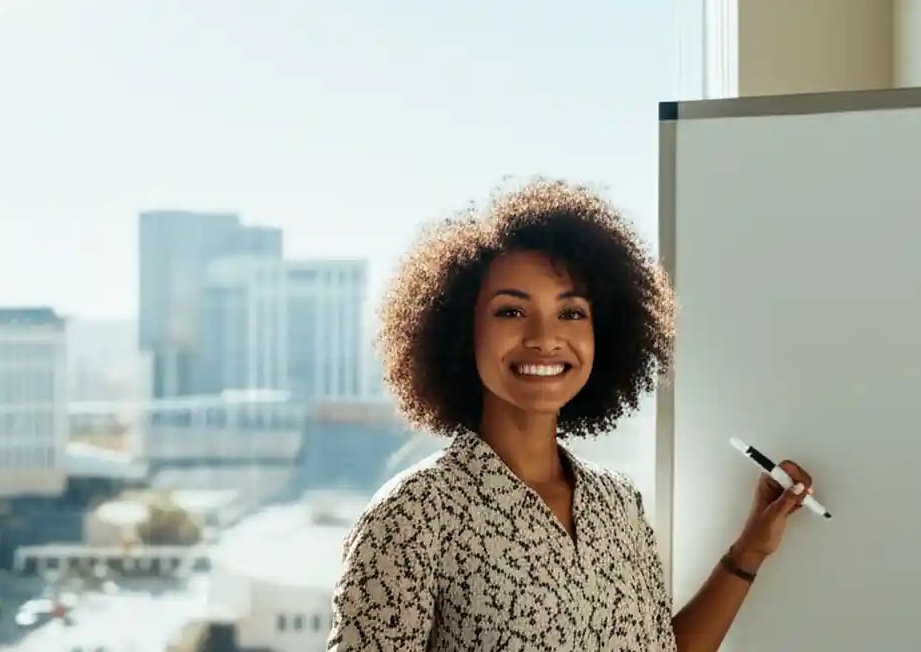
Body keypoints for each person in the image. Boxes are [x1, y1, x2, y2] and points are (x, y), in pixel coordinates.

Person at [328, 179, 817, 651]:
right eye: (511, 312)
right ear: (461, 331)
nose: (545, 336)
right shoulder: (410, 517)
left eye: (572, 313)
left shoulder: (618, 505)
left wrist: (751, 549)